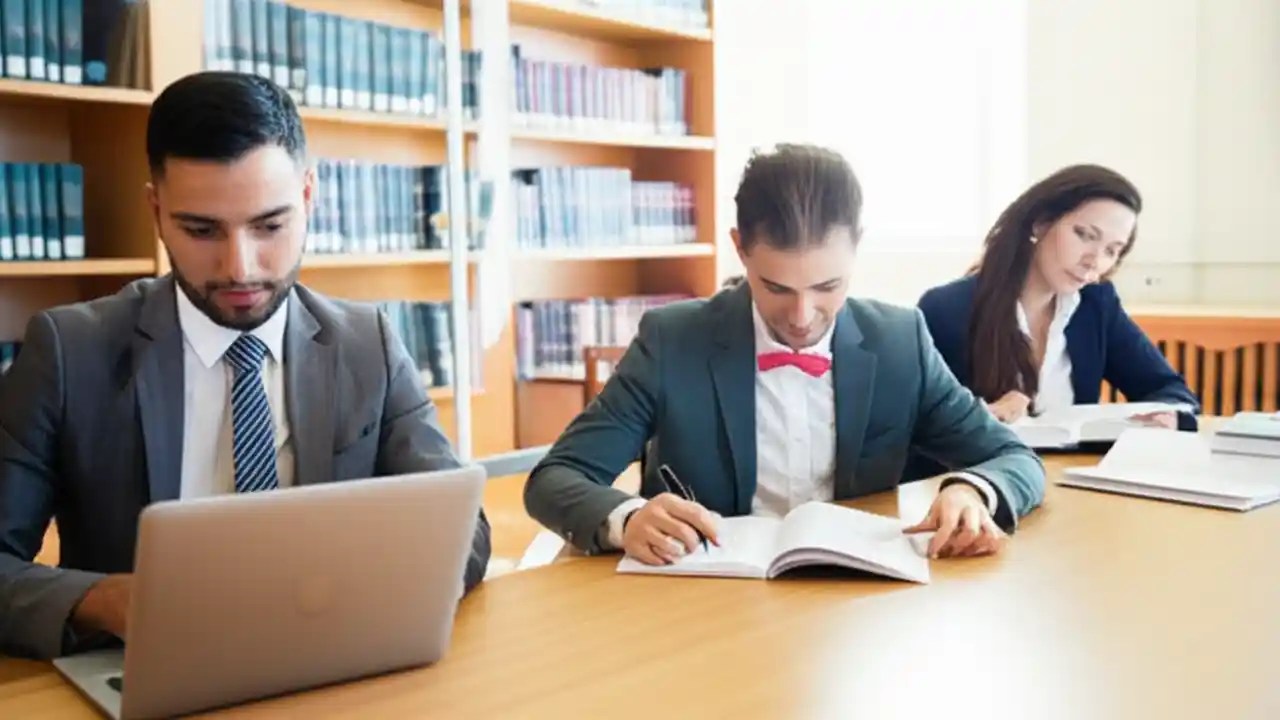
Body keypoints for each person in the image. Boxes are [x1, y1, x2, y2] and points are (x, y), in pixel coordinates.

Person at [0, 72, 491, 661]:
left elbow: (463, 532)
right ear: (156, 209)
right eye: (202, 230)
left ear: (308, 196)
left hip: (330, 660)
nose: (240, 267)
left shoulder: (370, 345)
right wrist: (110, 601)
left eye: (270, 225)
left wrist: (354, 590)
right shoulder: (67, 350)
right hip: (144, 669)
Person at [524, 143, 1045, 568]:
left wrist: (974, 490)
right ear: (740, 248)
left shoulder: (899, 340)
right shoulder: (672, 340)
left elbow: (1014, 458)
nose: (802, 314)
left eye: (827, 286)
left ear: (857, 247)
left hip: (851, 602)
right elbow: (556, 478)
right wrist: (627, 517)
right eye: (776, 287)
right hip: (700, 602)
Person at [915, 164, 1200, 430]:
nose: (1094, 261)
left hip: (1068, 477)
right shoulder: (946, 309)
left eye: (1112, 250)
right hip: (979, 479)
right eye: (1085, 235)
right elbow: (919, 427)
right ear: (1040, 223)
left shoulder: (1096, 305)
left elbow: (1171, 391)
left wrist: (1170, 416)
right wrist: (982, 417)